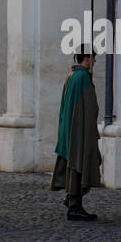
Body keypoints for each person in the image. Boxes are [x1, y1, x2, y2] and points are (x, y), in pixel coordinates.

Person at [51, 47, 102, 220]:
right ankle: (74, 205)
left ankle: (73, 200)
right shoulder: (82, 78)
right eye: (94, 57)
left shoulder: (72, 76)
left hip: (71, 130)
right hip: (79, 132)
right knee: (79, 166)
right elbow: (88, 109)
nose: (95, 61)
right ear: (87, 58)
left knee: (76, 166)